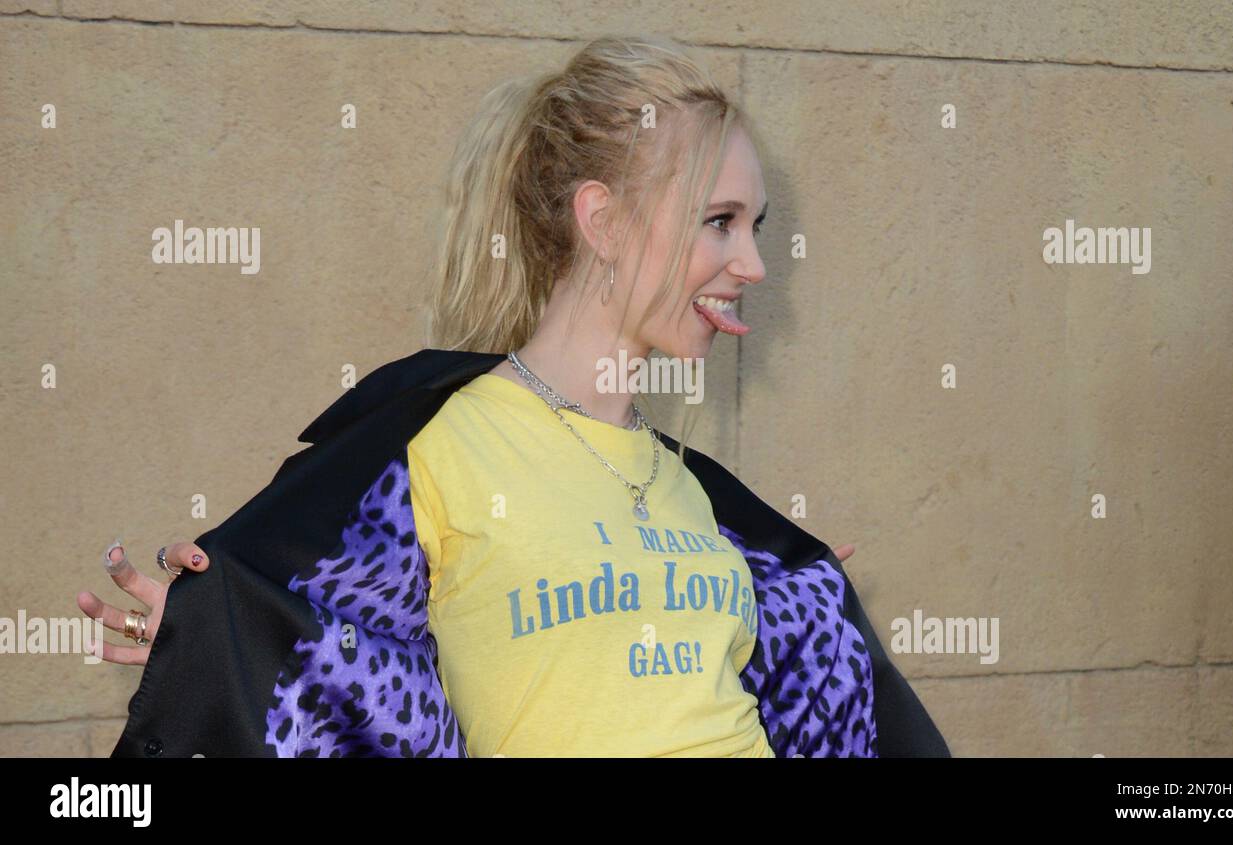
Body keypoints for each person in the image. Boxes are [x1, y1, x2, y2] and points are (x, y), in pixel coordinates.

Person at [77, 34, 949, 758]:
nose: (753, 265)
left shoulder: (703, 497)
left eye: (754, 227)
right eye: (718, 222)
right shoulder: (436, 449)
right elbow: (336, 668)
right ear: (602, 220)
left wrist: (799, 603)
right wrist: (212, 636)